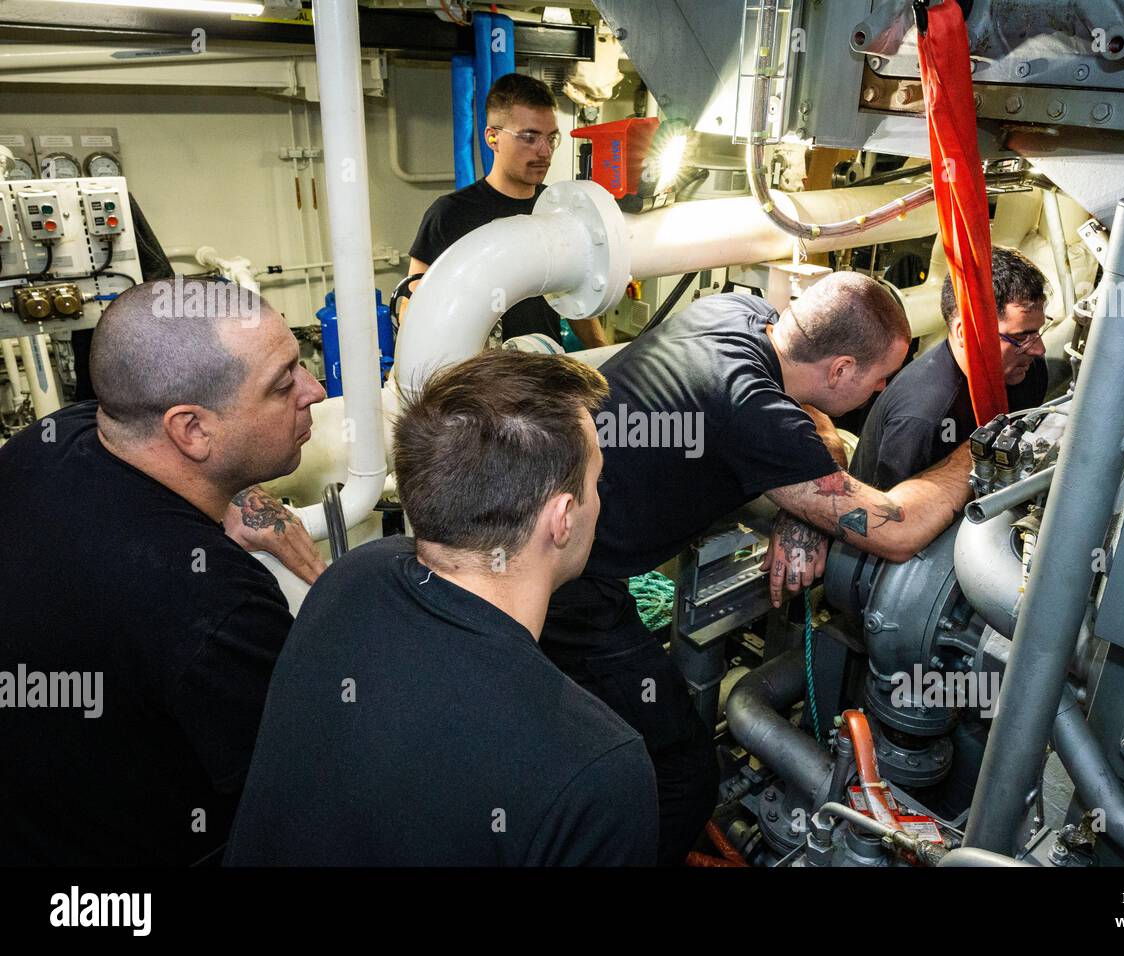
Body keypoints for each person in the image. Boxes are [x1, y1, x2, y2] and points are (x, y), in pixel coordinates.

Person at [540, 272, 974, 866]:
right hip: (562, 581)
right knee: (684, 770)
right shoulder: (749, 407)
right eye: (880, 378)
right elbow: (893, 528)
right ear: (842, 369)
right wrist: (972, 459)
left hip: (541, 515)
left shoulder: (738, 312)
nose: (884, 390)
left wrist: (804, 511)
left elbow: (805, 426)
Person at [225, 350, 657, 866]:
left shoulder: (352, 579)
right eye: (595, 482)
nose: (600, 500)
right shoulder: (599, 772)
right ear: (561, 517)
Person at [0, 278, 326, 865]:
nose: (317, 390)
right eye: (284, 385)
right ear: (192, 430)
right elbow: (313, 791)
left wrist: (254, 511)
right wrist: (332, 587)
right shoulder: (216, 607)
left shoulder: (56, 439)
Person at [406, 72, 607, 349]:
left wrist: (606, 356)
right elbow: (413, 309)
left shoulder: (557, 210)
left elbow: (572, 296)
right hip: (480, 379)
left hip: (546, 366)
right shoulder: (450, 215)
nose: (544, 151)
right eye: (529, 137)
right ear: (492, 138)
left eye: (551, 138)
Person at [850, 247, 1049, 489]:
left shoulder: (1029, 371)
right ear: (965, 333)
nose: (1039, 349)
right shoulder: (923, 417)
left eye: (1037, 331)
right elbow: (891, 515)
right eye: (1021, 337)